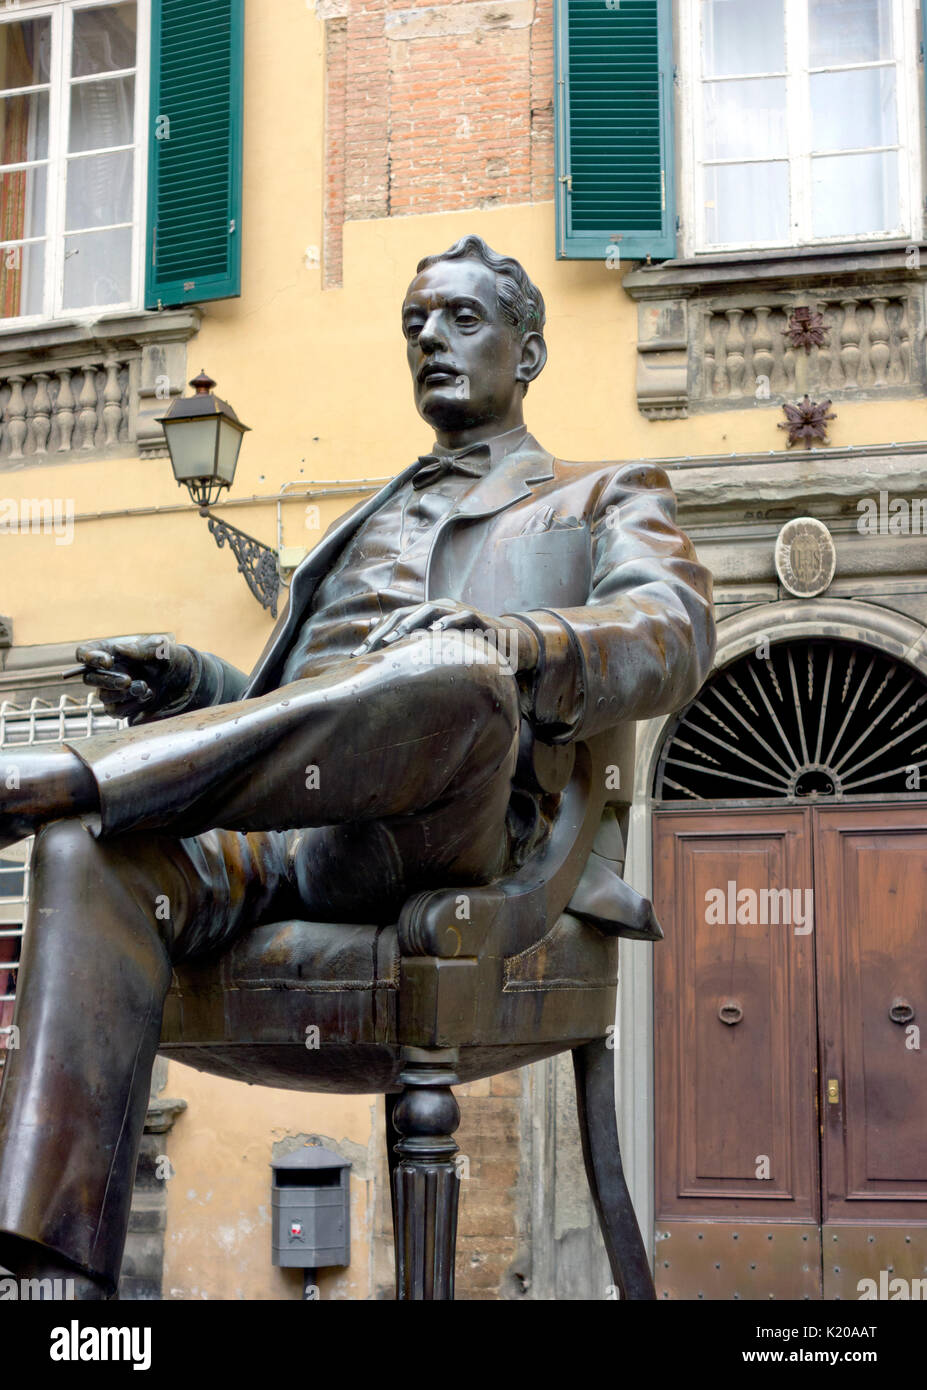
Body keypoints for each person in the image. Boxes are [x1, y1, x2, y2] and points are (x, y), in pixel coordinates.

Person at [0, 235, 716, 1297]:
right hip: (285, 832)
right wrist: (202, 683)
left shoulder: (601, 491)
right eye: (415, 321)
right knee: (85, 854)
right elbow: (304, 713)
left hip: (441, 832)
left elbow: (675, 629)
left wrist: (518, 642)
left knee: (456, 674)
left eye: (463, 318)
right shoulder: (361, 519)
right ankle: (58, 1292)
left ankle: (72, 772)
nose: (429, 335)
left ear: (530, 353)